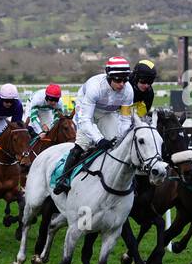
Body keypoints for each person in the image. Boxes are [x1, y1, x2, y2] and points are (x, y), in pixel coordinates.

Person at [53, 56, 134, 195]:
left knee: (117, 145)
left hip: (106, 113)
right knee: (83, 143)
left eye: (125, 80)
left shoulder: (129, 91)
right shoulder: (95, 87)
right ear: (109, 77)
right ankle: (64, 178)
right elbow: (85, 121)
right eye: (118, 80)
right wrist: (99, 139)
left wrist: (121, 137)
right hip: (85, 110)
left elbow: (126, 120)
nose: (122, 84)